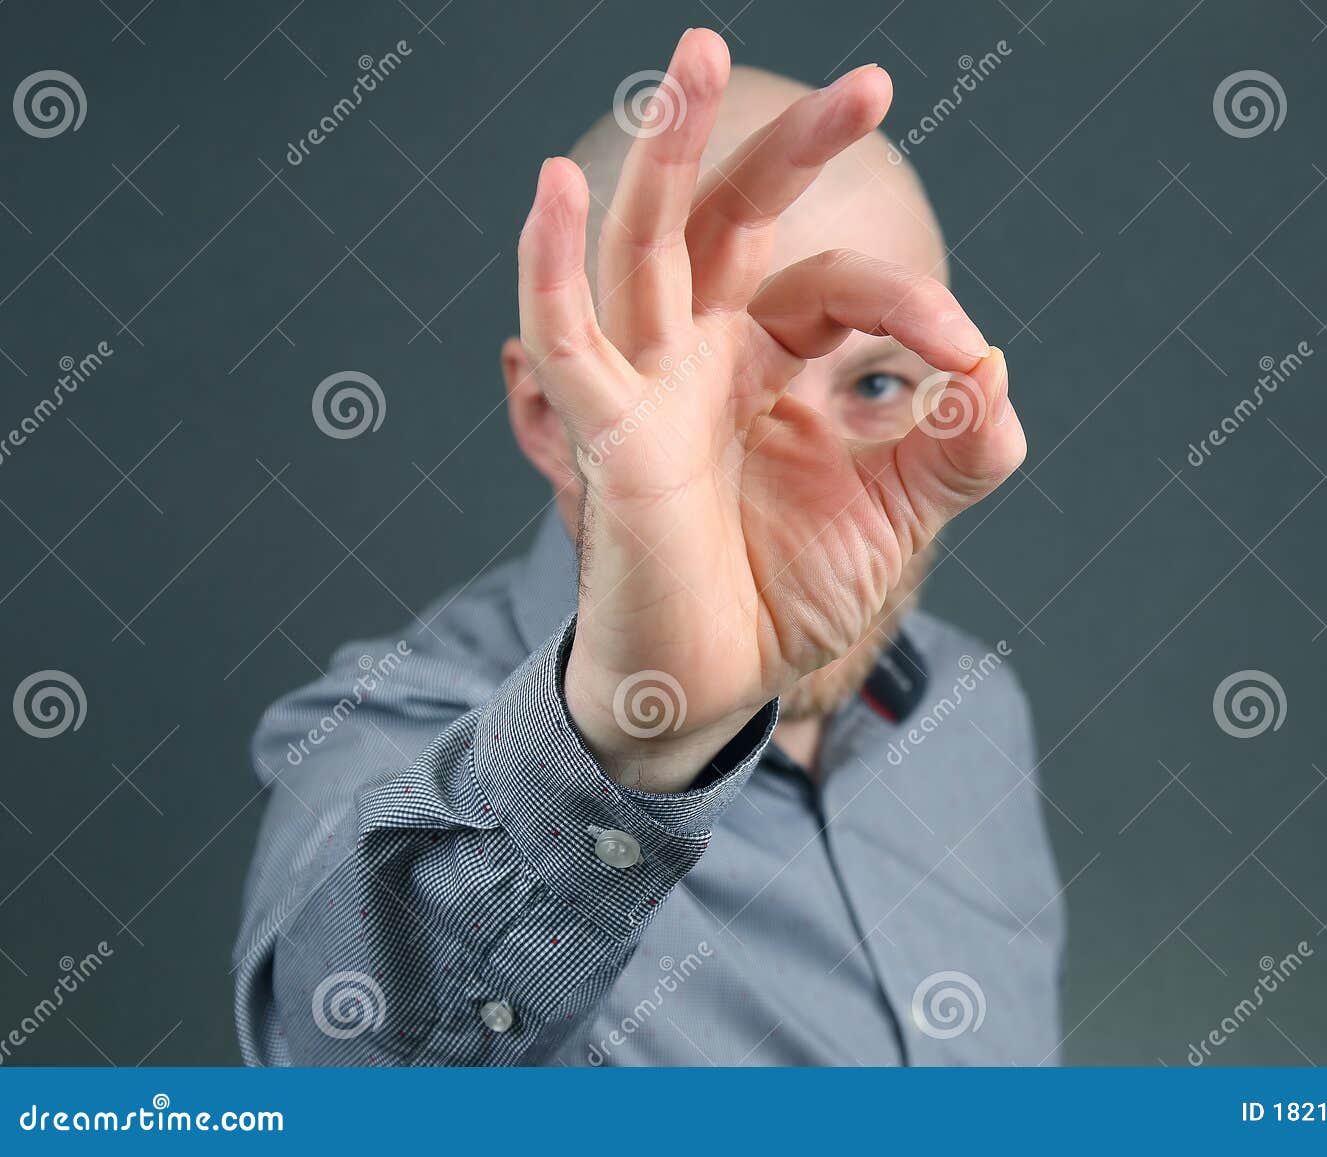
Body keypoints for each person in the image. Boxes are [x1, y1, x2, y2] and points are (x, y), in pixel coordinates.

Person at [234, 27, 1063, 1066]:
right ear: (548, 416)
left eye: (877, 383)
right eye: (712, 400)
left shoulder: (970, 708)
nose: (806, 470)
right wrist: (644, 731)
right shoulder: (374, 743)